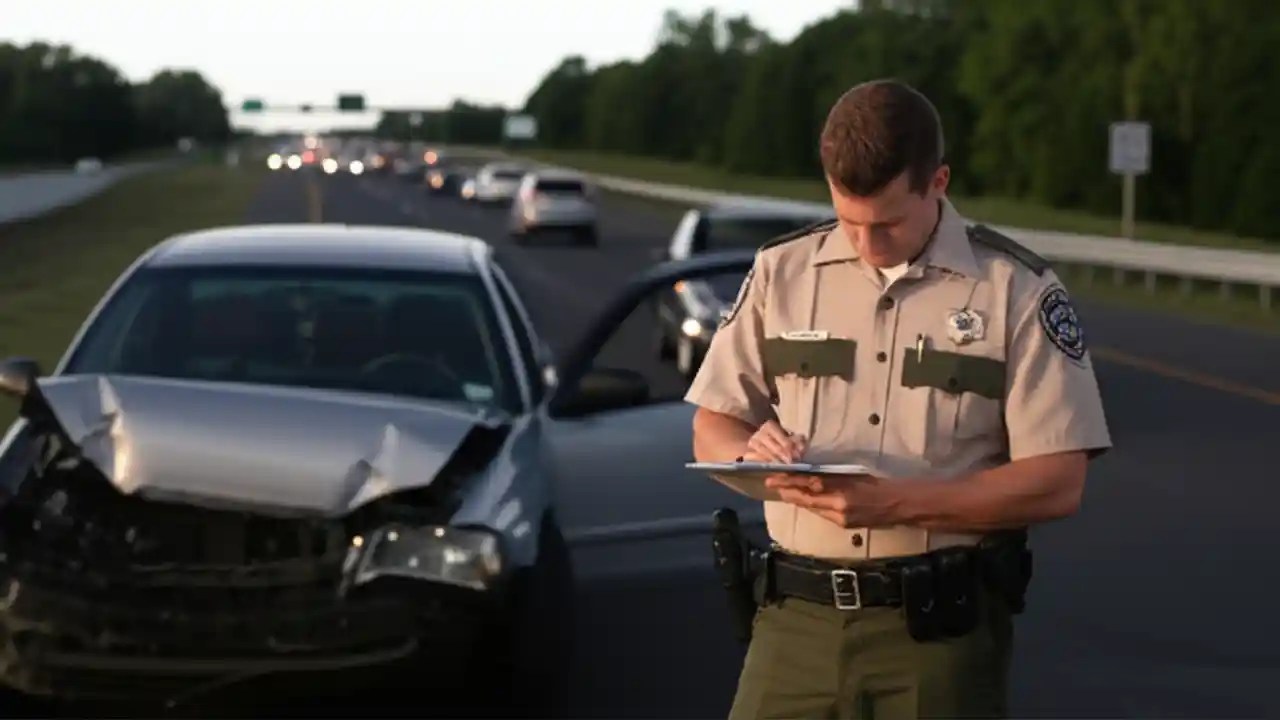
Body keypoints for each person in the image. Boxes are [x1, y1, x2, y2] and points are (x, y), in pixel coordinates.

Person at [686, 78, 1111, 719]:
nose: (863, 243)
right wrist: (754, 450)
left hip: (935, 637)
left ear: (938, 183)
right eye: (847, 219)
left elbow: (1059, 482)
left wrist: (896, 503)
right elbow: (711, 423)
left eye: (885, 223)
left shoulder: (1014, 290)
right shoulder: (783, 271)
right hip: (791, 625)